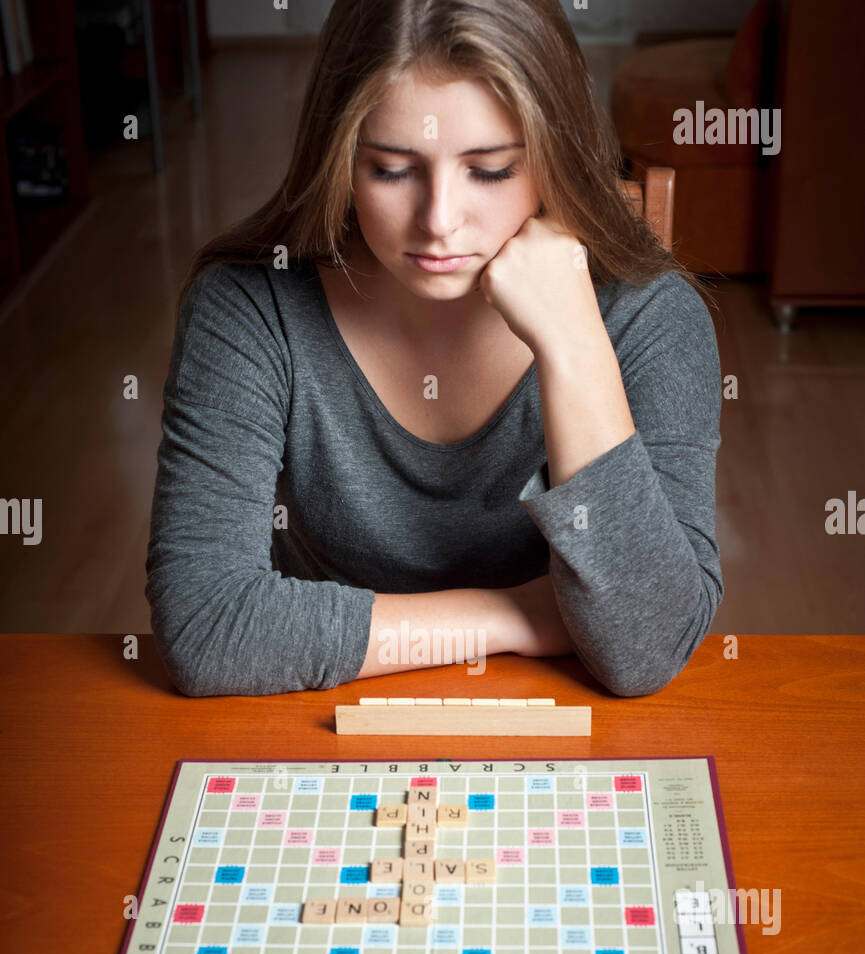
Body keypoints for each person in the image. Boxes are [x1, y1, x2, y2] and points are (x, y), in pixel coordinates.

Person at [145, 0, 723, 698]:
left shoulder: (652, 318)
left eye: (490, 170)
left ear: (554, 157)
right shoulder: (249, 309)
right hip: (314, 720)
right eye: (391, 169)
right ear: (339, 157)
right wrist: (518, 614)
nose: (439, 221)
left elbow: (648, 644)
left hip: (567, 735)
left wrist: (573, 345)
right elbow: (208, 628)